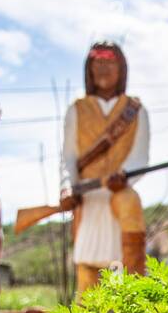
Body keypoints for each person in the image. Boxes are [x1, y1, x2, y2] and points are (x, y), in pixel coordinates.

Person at [59, 41, 150, 292]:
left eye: (110, 62)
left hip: (118, 193)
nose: (103, 69)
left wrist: (124, 178)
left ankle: (134, 308)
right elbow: (68, 157)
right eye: (97, 63)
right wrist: (68, 188)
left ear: (121, 68)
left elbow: (140, 157)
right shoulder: (76, 110)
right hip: (88, 199)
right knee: (87, 271)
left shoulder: (135, 110)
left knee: (129, 203)